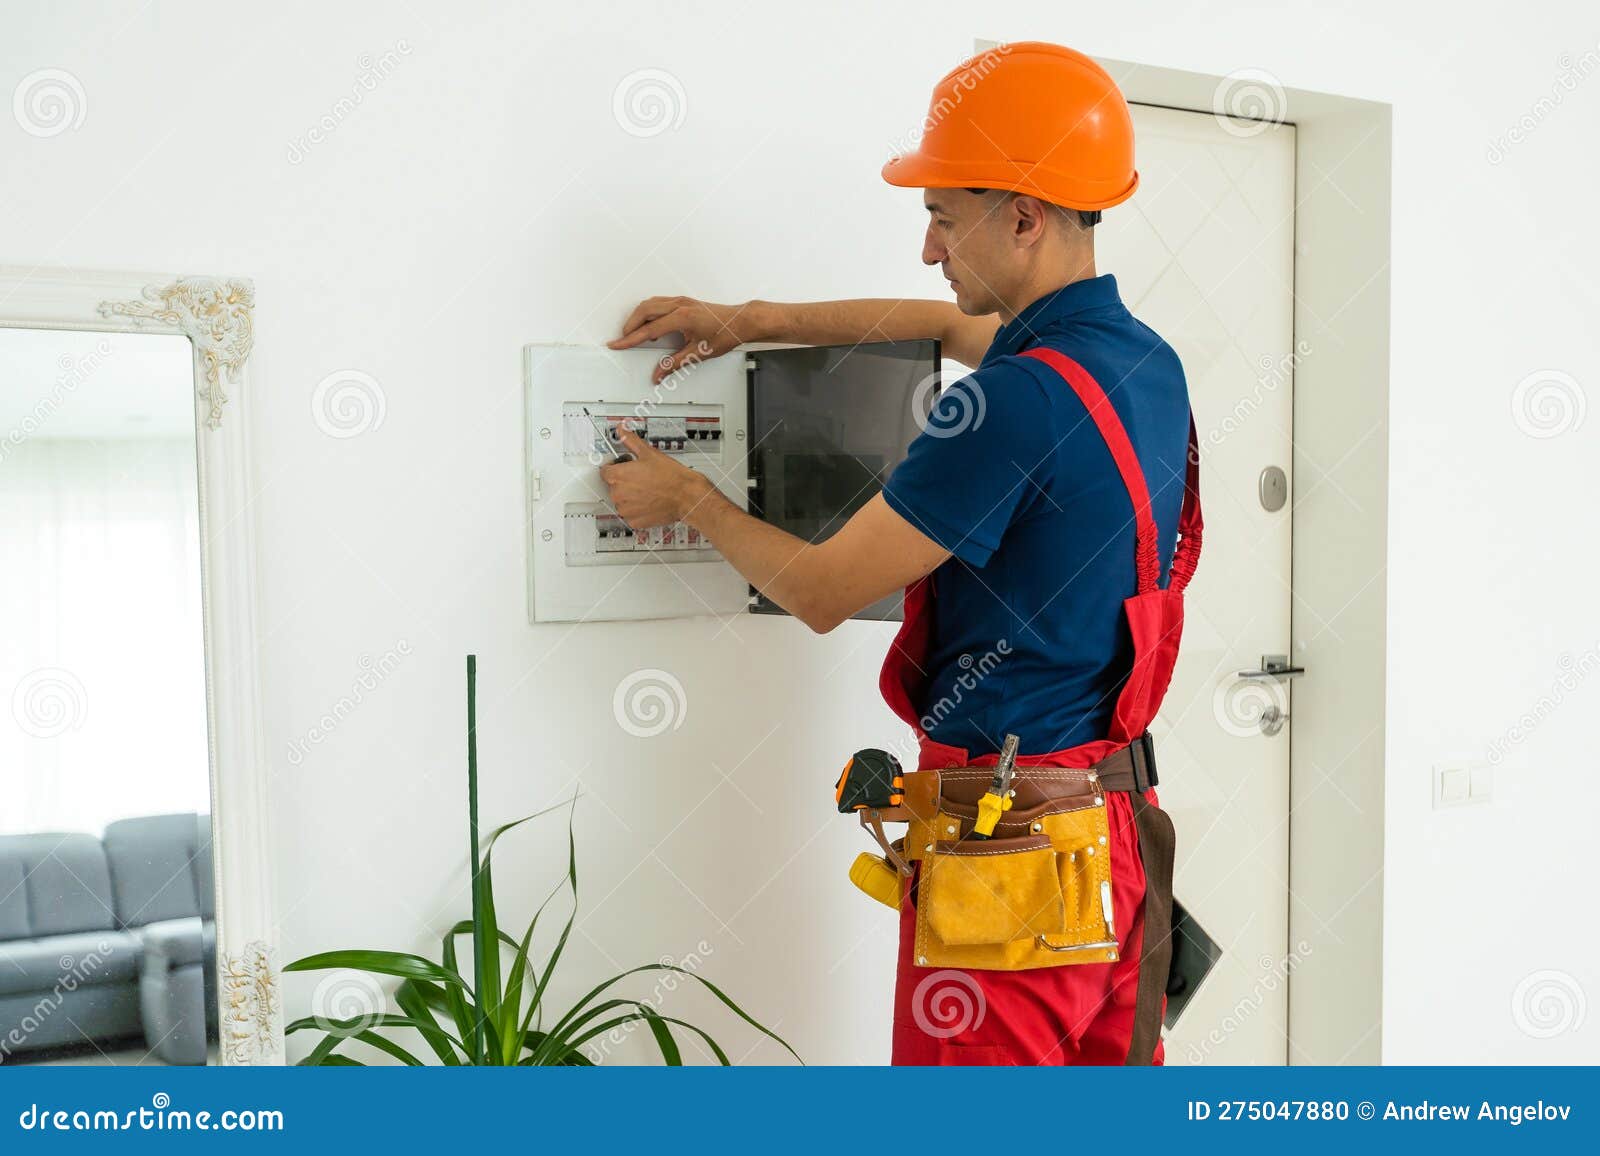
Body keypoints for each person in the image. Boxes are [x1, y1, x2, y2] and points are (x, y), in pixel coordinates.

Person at [600, 41, 1201, 1066]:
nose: (929, 248)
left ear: (1024, 215)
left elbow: (822, 589)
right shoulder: (1142, 362)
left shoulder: (1010, 403)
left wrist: (687, 497)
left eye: (944, 217)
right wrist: (750, 321)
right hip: (1116, 846)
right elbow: (940, 325)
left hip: (1008, 863)